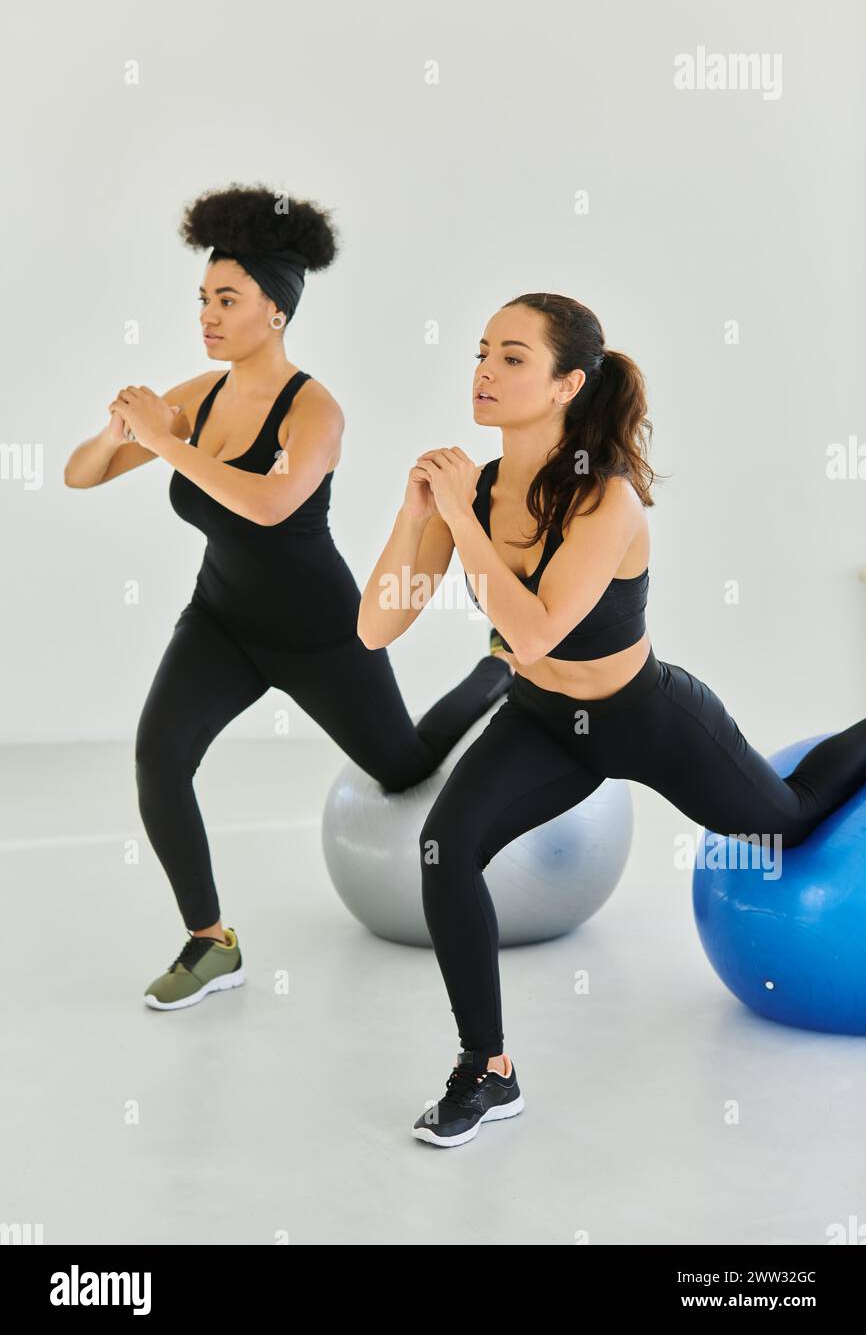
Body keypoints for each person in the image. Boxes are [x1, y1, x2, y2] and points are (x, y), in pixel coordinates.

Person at [364, 290, 866, 1147]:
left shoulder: (608, 500)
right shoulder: (473, 492)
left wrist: (453, 517)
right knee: (445, 851)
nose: (484, 371)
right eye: (482, 352)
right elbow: (377, 624)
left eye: (513, 357)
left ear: (567, 385)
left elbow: (530, 627)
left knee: (783, 823)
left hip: (645, 715)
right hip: (541, 719)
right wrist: (414, 520)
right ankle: (487, 1069)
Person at [63, 183, 512, 1010]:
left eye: (227, 300)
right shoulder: (197, 396)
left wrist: (166, 442)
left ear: (275, 311)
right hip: (222, 620)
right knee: (160, 760)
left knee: (403, 769)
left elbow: (270, 505)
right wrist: (119, 429)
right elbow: (80, 474)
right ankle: (211, 943)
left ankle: (496, 672)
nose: (207, 314)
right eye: (203, 298)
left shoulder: (316, 411)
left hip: (318, 631)